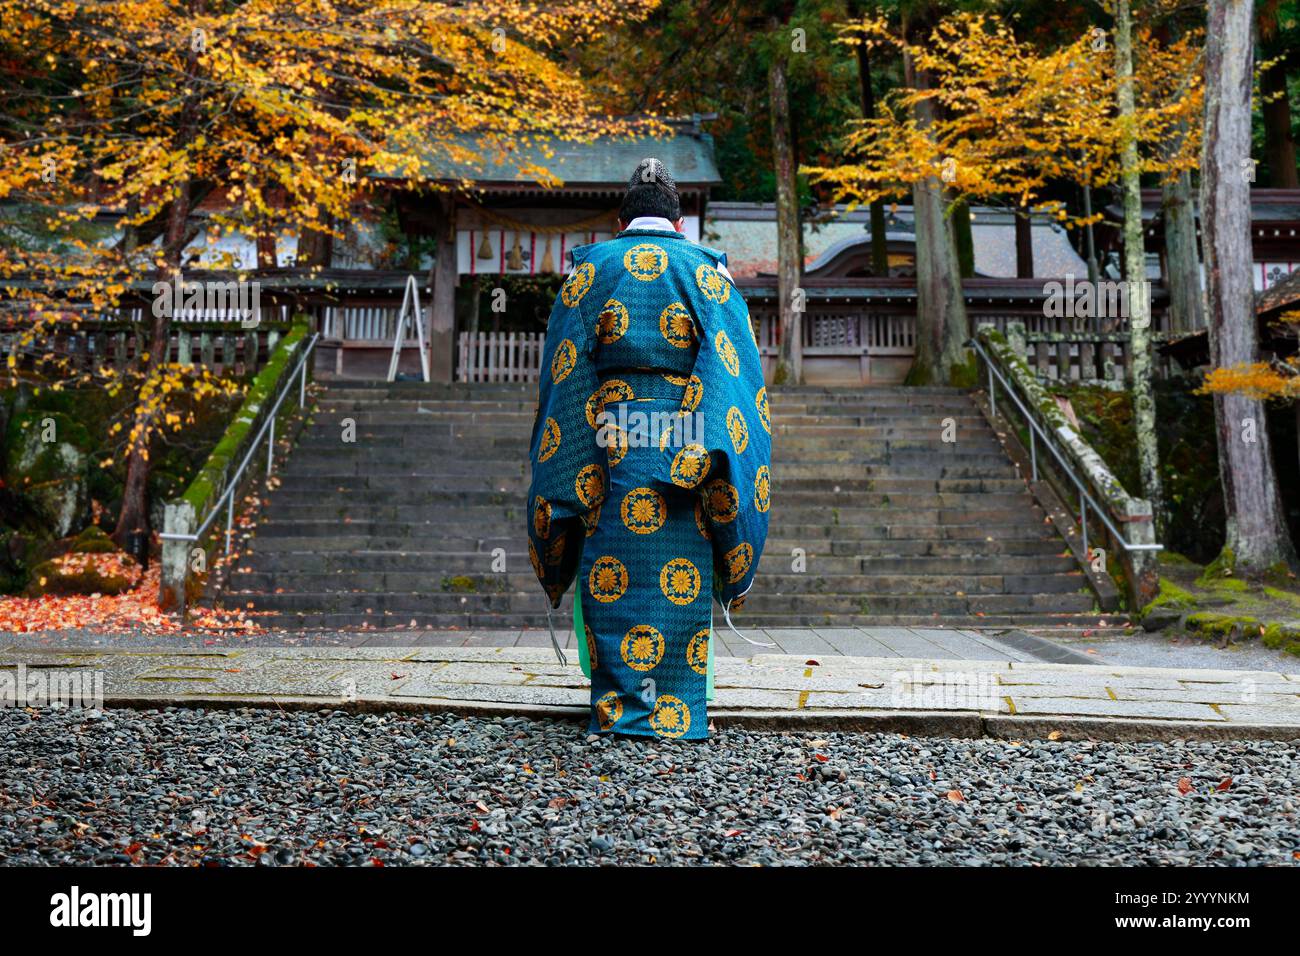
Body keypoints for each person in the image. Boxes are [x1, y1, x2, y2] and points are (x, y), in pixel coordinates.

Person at [525, 158, 771, 740]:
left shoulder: (589, 273)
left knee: (607, 566)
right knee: (682, 570)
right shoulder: (709, 275)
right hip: (686, 453)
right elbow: (735, 380)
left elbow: (563, 381)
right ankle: (683, 704)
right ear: (680, 221)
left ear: (621, 219)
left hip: (605, 450)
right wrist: (704, 454)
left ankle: (615, 703)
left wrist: (573, 466)